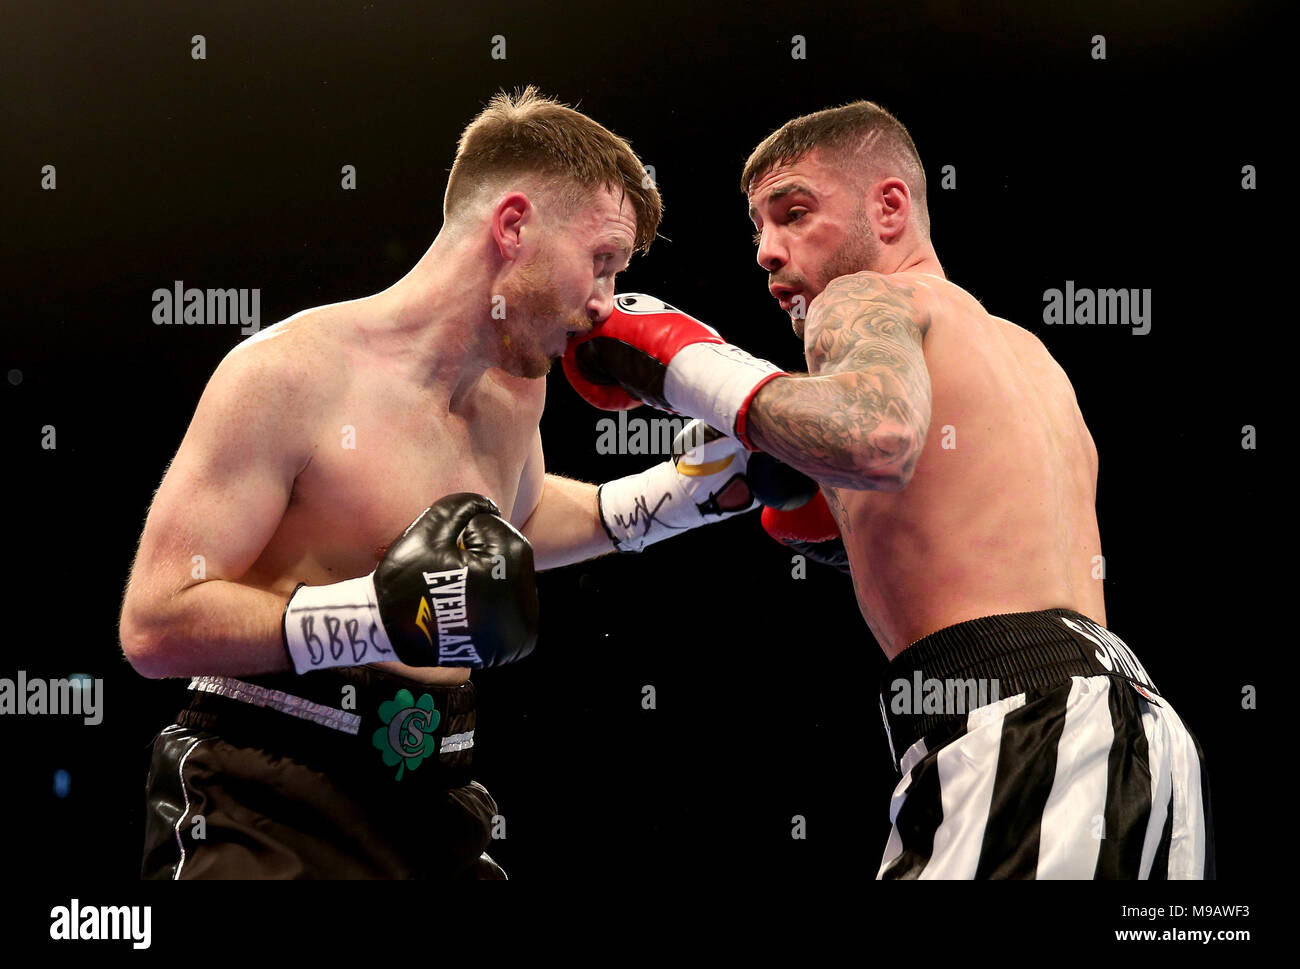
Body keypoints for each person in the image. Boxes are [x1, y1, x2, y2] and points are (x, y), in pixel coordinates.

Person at [120, 87, 791, 880]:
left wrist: (683, 495)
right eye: (601, 262)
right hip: (266, 794)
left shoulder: (517, 389)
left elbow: (516, 521)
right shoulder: (289, 376)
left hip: (435, 792)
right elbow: (155, 626)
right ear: (512, 226)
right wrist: (376, 617)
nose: (605, 304)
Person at [562, 100, 1214, 879]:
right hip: (1124, 725)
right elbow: (962, 533)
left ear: (890, 205)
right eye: (758, 231)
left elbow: (876, 436)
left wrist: (687, 365)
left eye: (795, 213)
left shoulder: (867, 297)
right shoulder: (1026, 353)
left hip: (1027, 724)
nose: (768, 252)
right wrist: (831, 530)